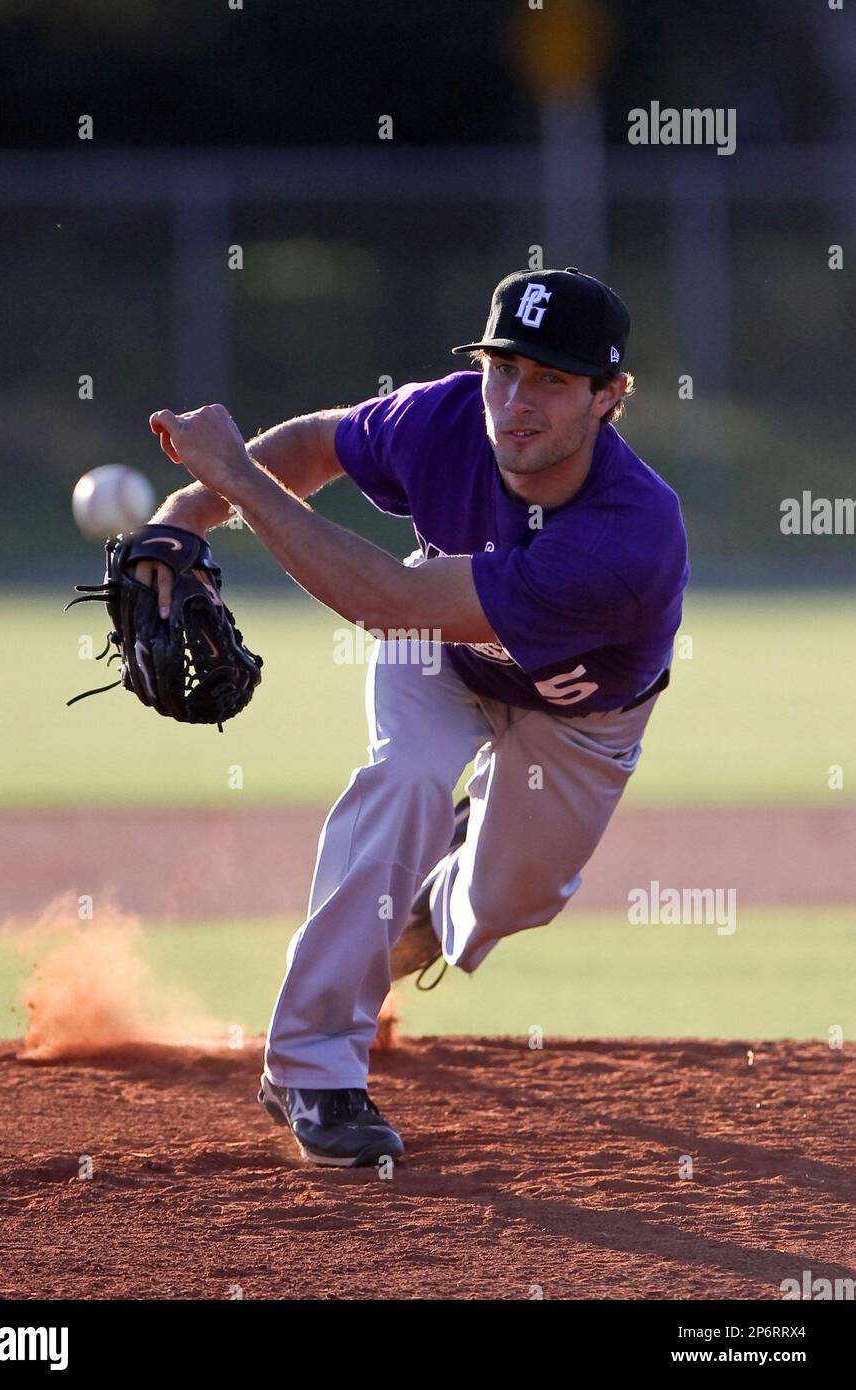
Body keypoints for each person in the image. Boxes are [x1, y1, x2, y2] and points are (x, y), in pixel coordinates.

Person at [139, 267, 689, 1168]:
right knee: (406, 778)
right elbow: (316, 447)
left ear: (609, 396)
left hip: (579, 715)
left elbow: (384, 596)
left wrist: (229, 473)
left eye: (551, 379)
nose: (515, 400)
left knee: (510, 901)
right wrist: (186, 515)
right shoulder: (441, 419)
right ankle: (311, 1068)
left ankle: (436, 908)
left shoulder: (628, 537)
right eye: (502, 367)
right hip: (439, 652)